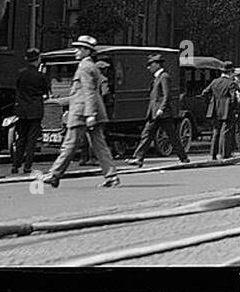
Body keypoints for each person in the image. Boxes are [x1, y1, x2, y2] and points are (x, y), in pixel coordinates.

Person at [43, 36, 119, 188]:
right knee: (99, 145)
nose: (76, 51)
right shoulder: (91, 66)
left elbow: (89, 91)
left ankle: (54, 174)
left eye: (79, 48)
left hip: (82, 112)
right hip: (92, 111)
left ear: (86, 51)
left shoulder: (84, 67)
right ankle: (111, 176)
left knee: (70, 144)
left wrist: (90, 114)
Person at [131, 54, 191, 166]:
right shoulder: (157, 78)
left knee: (171, 136)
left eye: (151, 64)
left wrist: (161, 109)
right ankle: (138, 158)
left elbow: (167, 95)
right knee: (147, 134)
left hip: (162, 113)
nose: (149, 67)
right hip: (155, 113)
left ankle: (183, 158)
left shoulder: (164, 77)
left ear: (157, 64)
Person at [11, 47, 50, 176]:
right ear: (38, 59)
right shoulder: (41, 76)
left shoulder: (20, 73)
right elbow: (45, 90)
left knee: (21, 138)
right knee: (32, 139)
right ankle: (27, 165)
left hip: (22, 109)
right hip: (35, 109)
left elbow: (16, 87)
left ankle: (15, 165)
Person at [204, 61, 240, 160]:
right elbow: (233, 98)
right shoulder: (231, 83)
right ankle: (225, 153)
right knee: (225, 132)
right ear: (230, 72)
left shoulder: (214, 82)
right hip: (227, 110)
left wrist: (212, 101)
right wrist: (235, 109)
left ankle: (213, 154)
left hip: (215, 110)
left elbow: (205, 92)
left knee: (216, 132)